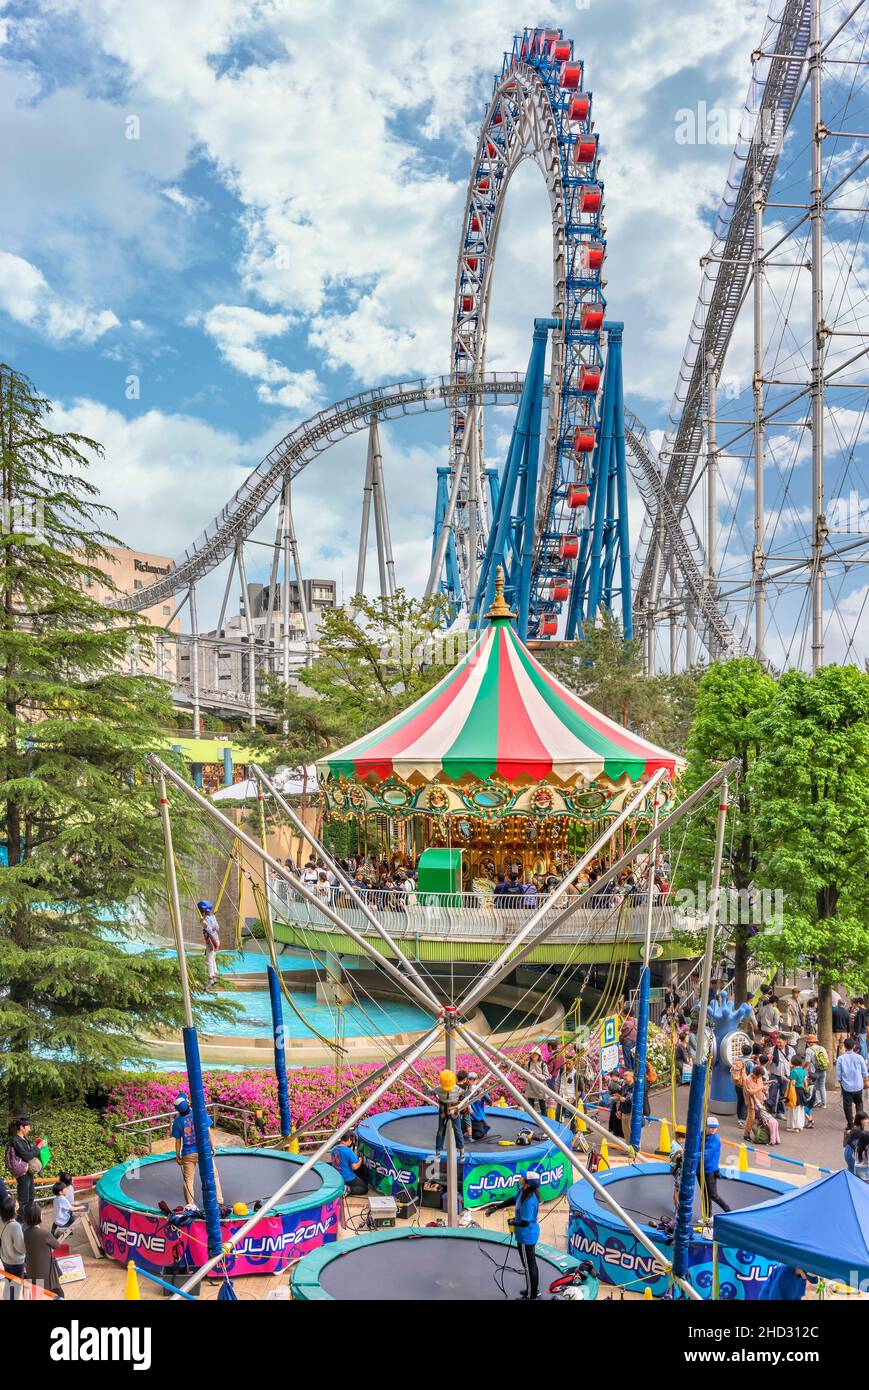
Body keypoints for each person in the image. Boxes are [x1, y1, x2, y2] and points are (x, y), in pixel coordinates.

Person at [485, 1171, 542, 1300]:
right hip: (526, 1234)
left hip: (526, 1237)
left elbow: (525, 1222)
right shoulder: (523, 1191)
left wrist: (512, 1221)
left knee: (528, 1266)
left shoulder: (528, 1201)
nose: (520, 1177)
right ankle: (533, 1290)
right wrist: (496, 1207)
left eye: (522, 1177)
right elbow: (512, 1199)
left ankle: (531, 1295)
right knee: (531, 1263)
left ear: (527, 1183)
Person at [171, 1092, 224, 1208]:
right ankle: (218, 1200)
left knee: (188, 1180)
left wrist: (177, 1156)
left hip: (188, 1154)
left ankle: (190, 1205)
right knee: (213, 1175)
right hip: (203, 1150)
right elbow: (208, 1131)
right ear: (188, 1103)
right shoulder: (199, 1113)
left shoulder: (177, 1121)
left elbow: (178, 1140)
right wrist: (212, 1146)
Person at [22, 1202, 63, 1299]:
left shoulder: (25, 1232)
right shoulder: (44, 1233)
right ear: (39, 1217)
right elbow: (56, 1245)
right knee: (58, 1292)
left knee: (37, 1294)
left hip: (32, 1269)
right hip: (46, 1271)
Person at [5, 1119, 42, 1211]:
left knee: (31, 1197)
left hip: (28, 1172)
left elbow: (29, 1152)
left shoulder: (24, 1139)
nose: (29, 1129)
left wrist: (36, 1146)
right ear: (22, 1127)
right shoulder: (16, 1140)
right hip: (22, 1173)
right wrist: (38, 1147)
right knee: (23, 1200)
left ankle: (30, 1221)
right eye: (28, 1126)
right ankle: (21, 1222)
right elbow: (27, 1156)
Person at [698, 1116, 731, 1213]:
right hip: (699, 1170)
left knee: (713, 1194)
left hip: (709, 1171)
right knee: (705, 1194)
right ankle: (708, 1215)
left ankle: (728, 1210)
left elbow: (707, 1154)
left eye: (715, 1127)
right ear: (706, 1127)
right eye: (711, 1127)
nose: (713, 1129)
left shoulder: (715, 1139)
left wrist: (693, 1155)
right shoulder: (700, 1135)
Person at [835, 1038, 868, 1126]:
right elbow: (865, 1071)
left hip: (846, 1086)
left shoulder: (840, 1058)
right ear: (854, 1046)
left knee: (847, 1105)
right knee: (859, 1103)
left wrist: (840, 1081)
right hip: (858, 1085)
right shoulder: (859, 1057)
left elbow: (838, 1074)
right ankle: (860, 1124)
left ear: (845, 1046)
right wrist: (865, 1080)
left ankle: (850, 1124)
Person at [434, 1070, 465, 1162]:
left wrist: (471, 1088)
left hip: (453, 1109)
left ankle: (462, 1151)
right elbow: (430, 1092)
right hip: (443, 1110)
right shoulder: (439, 1088)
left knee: (457, 1131)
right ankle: (438, 1152)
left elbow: (466, 1094)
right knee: (440, 1131)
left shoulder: (457, 1089)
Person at [0, 1192, 26, 1301]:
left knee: (8, 1282)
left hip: (5, 1258)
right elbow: (21, 1247)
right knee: (16, 1287)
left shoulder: (1, 1220)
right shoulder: (15, 1226)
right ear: (13, 1210)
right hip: (16, 1262)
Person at [196, 900, 220, 987]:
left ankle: (211, 978)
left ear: (202, 910)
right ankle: (215, 975)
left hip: (211, 941)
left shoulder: (205, 920)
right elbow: (217, 927)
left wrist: (204, 925)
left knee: (209, 960)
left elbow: (208, 929)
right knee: (213, 958)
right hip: (216, 940)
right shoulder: (213, 917)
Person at [50, 1172, 81, 1238]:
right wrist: (80, 1207)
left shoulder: (56, 1198)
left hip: (60, 1213)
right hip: (67, 1210)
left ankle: (52, 1232)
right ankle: (67, 1231)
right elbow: (69, 1206)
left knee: (56, 1220)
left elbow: (66, 1203)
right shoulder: (69, 1189)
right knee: (72, 1219)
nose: (66, 1190)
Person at [804, 1034, 828, 1109]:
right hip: (823, 1069)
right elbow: (827, 1059)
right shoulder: (822, 1048)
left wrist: (802, 1068)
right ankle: (824, 1104)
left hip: (813, 1071)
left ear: (809, 1042)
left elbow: (807, 1061)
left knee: (811, 1086)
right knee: (822, 1086)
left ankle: (816, 1100)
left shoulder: (809, 1050)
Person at [467, 1075, 492, 1142]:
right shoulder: (466, 1090)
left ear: (476, 1080)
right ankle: (480, 1127)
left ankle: (483, 1127)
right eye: (469, 1079)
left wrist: (482, 1094)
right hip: (468, 1117)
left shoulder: (481, 1091)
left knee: (478, 1134)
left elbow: (490, 1103)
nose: (470, 1081)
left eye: (472, 1079)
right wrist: (469, 1107)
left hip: (477, 1117)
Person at [524, 1049, 549, 1116]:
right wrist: (529, 1075)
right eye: (532, 1053)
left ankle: (545, 1122)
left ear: (539, 1055)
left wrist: (537, 1075)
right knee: (530, 1108)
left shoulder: (543, 1064)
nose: (534, 1055)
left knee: (542, 1107)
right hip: (531, 1089)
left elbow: (546, 1077)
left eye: (535, 1054)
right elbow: (524, 1076)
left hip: (540, 1089)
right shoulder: (528, 1064)